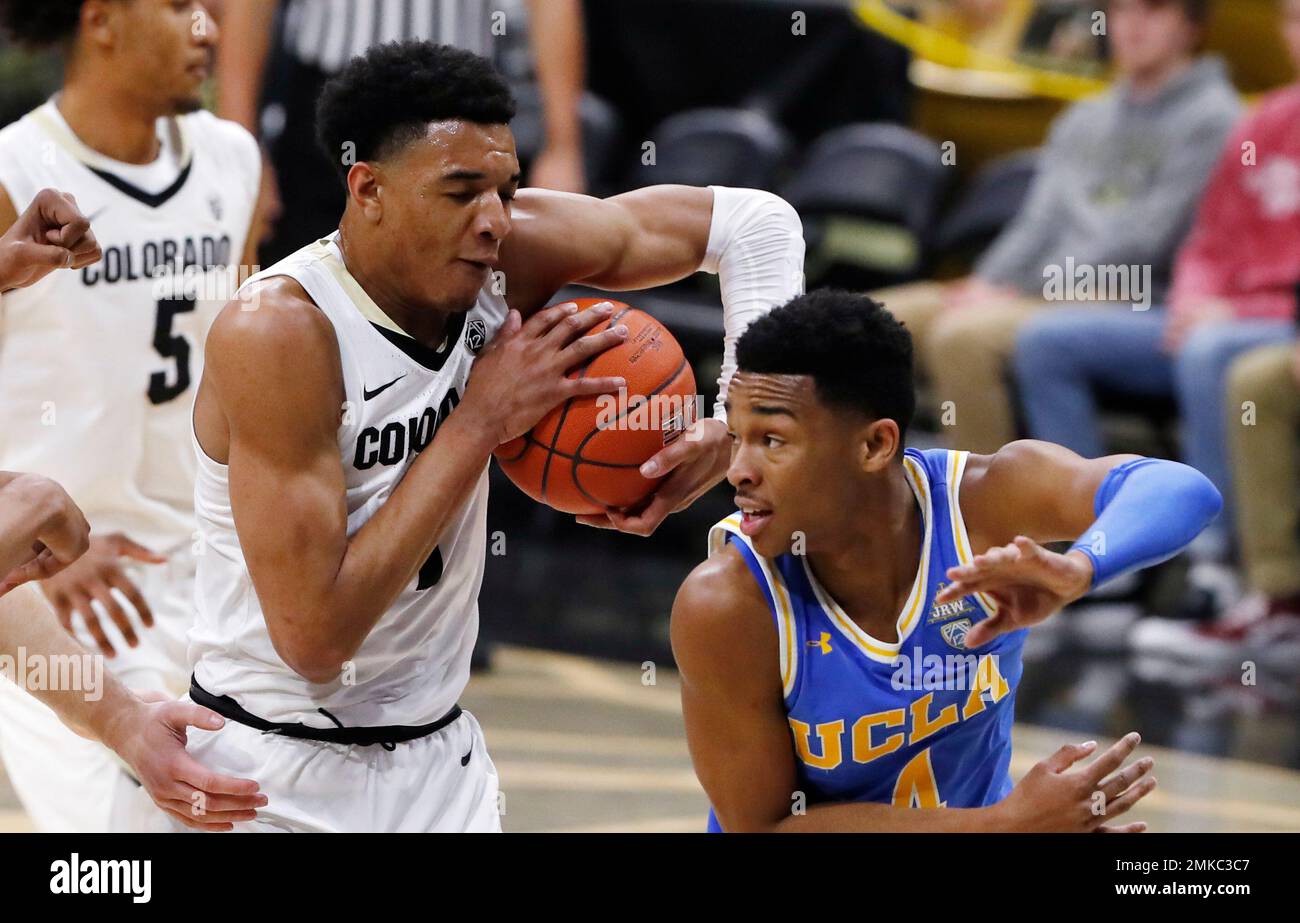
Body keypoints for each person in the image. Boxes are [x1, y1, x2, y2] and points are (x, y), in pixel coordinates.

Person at [167, 39, 804, 832]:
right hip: (267, 772)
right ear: (368, 188)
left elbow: (758, 226)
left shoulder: (508, 256)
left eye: (507, 188)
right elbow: (316, 639)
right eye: (460, 191)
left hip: (441, 761)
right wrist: (480, 419)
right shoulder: (281, 334)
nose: (494, 220)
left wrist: (740, 419)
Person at [671, 290, 1221, 832]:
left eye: (772, 440)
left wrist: (1080, 568)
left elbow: (1182, 489)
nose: (738, 471)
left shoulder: (980, 502)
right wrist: (1006, 826)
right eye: (737, 437)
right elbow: (762, 828)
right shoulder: (726, 601)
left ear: (874, 446)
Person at [0, 0, 262, 832]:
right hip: (56, 597)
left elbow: (251, 363)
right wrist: (16, 540)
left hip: (213, 572)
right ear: (101, 19)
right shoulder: (13, 168)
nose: (208, 28)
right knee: (131, 845)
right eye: (181, 4)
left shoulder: (232, 158)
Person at [1013, 0, 1300, 605]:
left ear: (1191, 27)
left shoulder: (1217, 112)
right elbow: (1207, 238)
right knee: (1047, 341)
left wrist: (1238, 312)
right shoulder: (1267, 119)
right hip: (1204, 315)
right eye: (1294, 19)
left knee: (1209, 350)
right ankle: (1095, 554)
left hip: (1264, 322)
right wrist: (1194, 299)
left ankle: (1209, 567)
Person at [874, 0, 1239, 453]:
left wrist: (1030, 287)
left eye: (1153, 11)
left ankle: (990, 494)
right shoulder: (1086, 115)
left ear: (1192, 26)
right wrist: (989, 281)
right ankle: (873, 483)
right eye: (1122, 11)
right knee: (873, 322)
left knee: (962, 338)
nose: (1132, 25)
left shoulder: (1214, 118)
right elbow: (1036, 221)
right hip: (1043, 286)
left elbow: (1147, 241)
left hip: (1128, 293)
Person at [216, 0, 588, 263]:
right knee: (313, 294)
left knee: (465, 302)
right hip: (330, 107)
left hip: (463, 105)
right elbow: (250, 8)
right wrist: (243, 157)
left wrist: (563, 148)